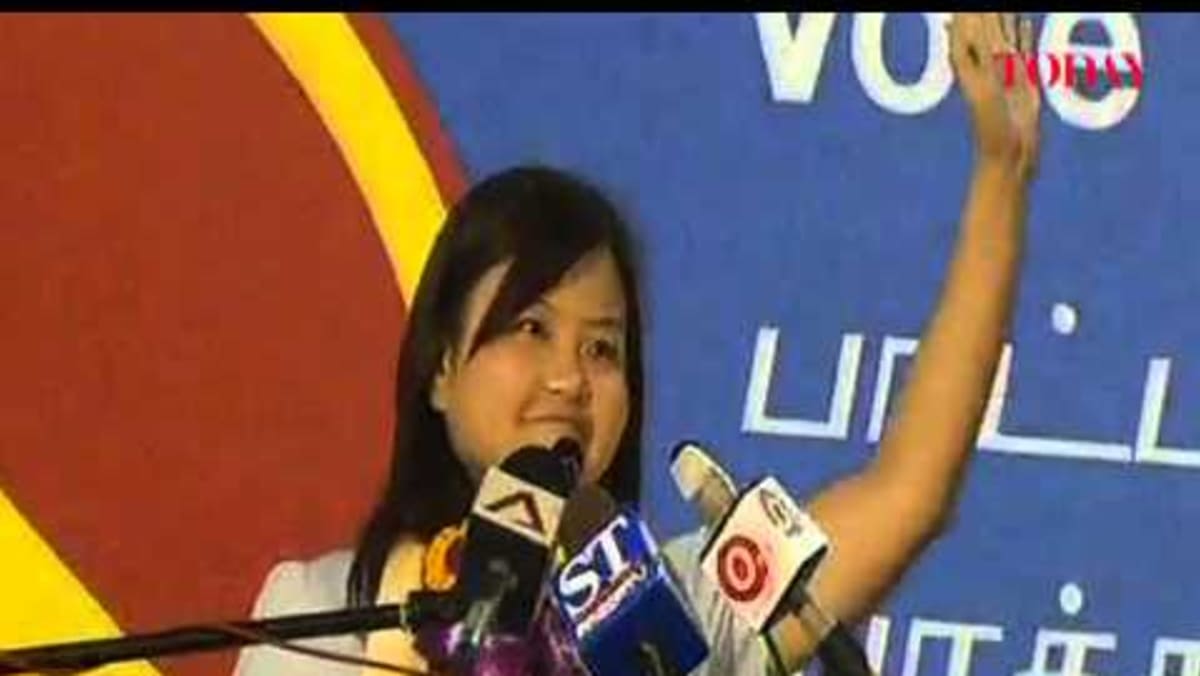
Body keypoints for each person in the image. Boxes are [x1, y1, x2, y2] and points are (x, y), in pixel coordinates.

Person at [234, 12, 1041, 676]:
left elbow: (908, 493)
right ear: (442, 366)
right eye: (531, 329)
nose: (569, 380)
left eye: (603, 350)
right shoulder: (322, 616)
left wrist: (1001, 172)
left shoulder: (678, 614)